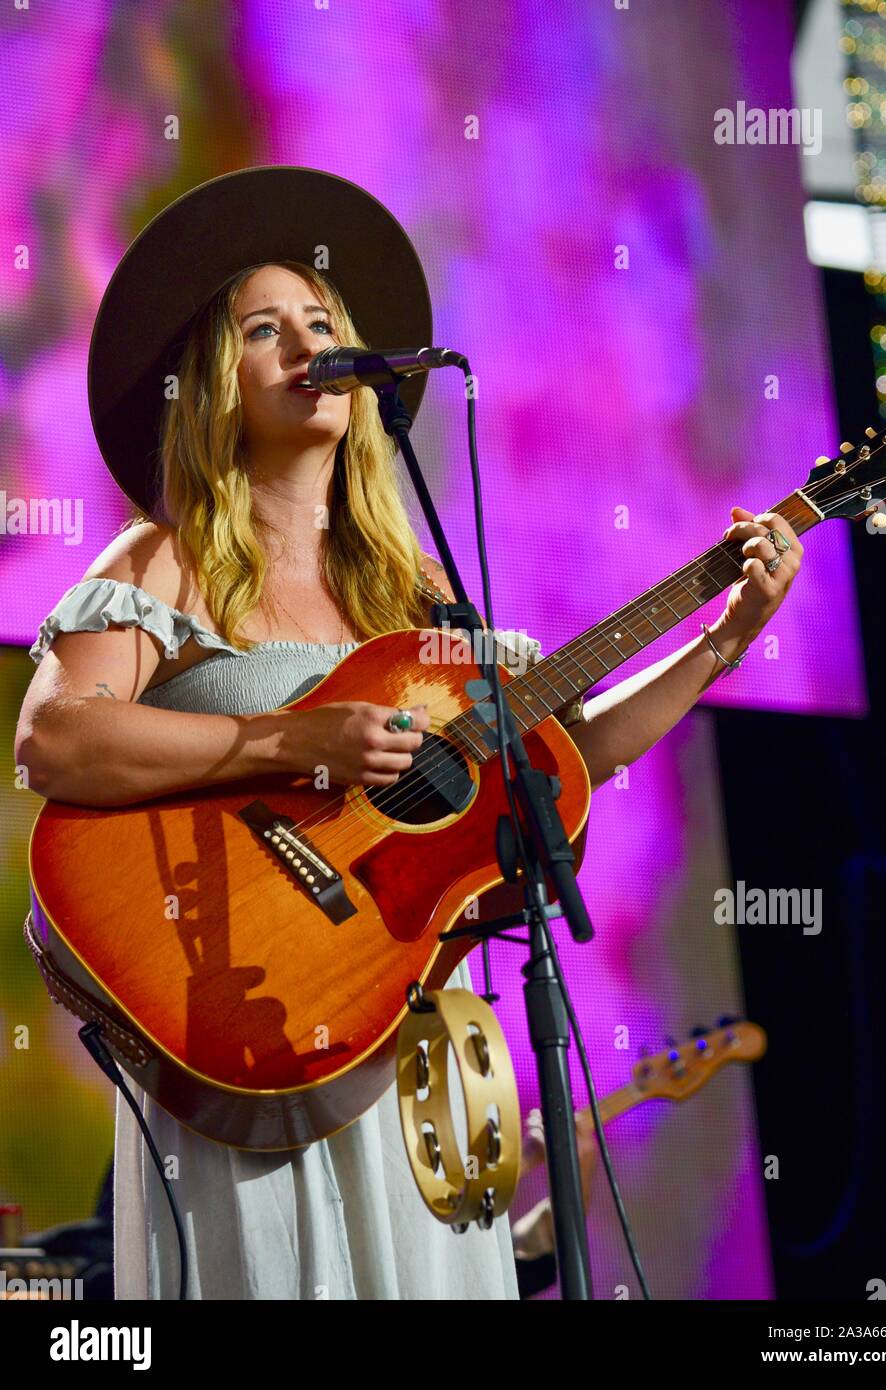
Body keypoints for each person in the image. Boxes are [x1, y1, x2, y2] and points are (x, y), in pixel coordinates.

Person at [14, 168, 803, 1300]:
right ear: (212, 383)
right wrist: (287, 746)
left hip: (411, 1076)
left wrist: (724, 640)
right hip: (235, 1042)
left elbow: (570, 756)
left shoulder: (420, 598)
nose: (305, 343)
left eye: (322, 323)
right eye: (264, 329)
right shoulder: (157, 564)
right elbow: (56, 742)